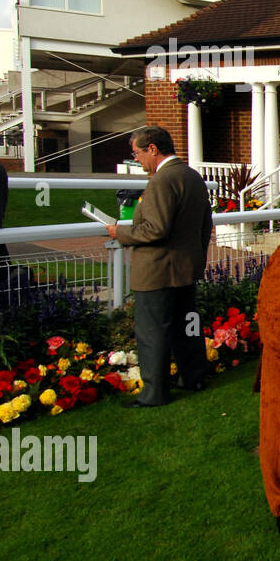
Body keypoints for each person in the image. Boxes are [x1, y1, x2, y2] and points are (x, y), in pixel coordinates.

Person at [106, 126, 213, 408]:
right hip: (185, 269)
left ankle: (155, 394)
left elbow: (155, 230)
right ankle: (194, 377)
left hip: (157, 272)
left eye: (137, 153)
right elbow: (204, 225)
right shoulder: (191, 176)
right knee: (187, 328)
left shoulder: (161, 181)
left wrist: (120, 233)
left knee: (152, 333)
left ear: (153, 149)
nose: (137, 159)